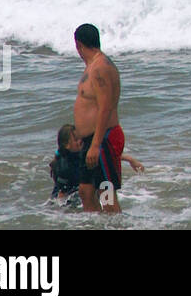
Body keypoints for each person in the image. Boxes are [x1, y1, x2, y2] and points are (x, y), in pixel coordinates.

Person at [72, 23, 125, 212]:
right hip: (91, 139)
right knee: (85, 192)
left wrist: (95, 144)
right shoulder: (93, 66)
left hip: (103, 138)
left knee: (106, 194)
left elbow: (105, 108)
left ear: (78, 45)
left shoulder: (100, 68)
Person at [49, 124, 143, 206]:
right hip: (67, 196)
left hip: (81, 190)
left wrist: (131, 160)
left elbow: (104, 157)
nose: (80, 141)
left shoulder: (82, 151)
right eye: (76, 139)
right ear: (67, 145)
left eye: (80, 137)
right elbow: (62, 195)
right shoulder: (64, 166)